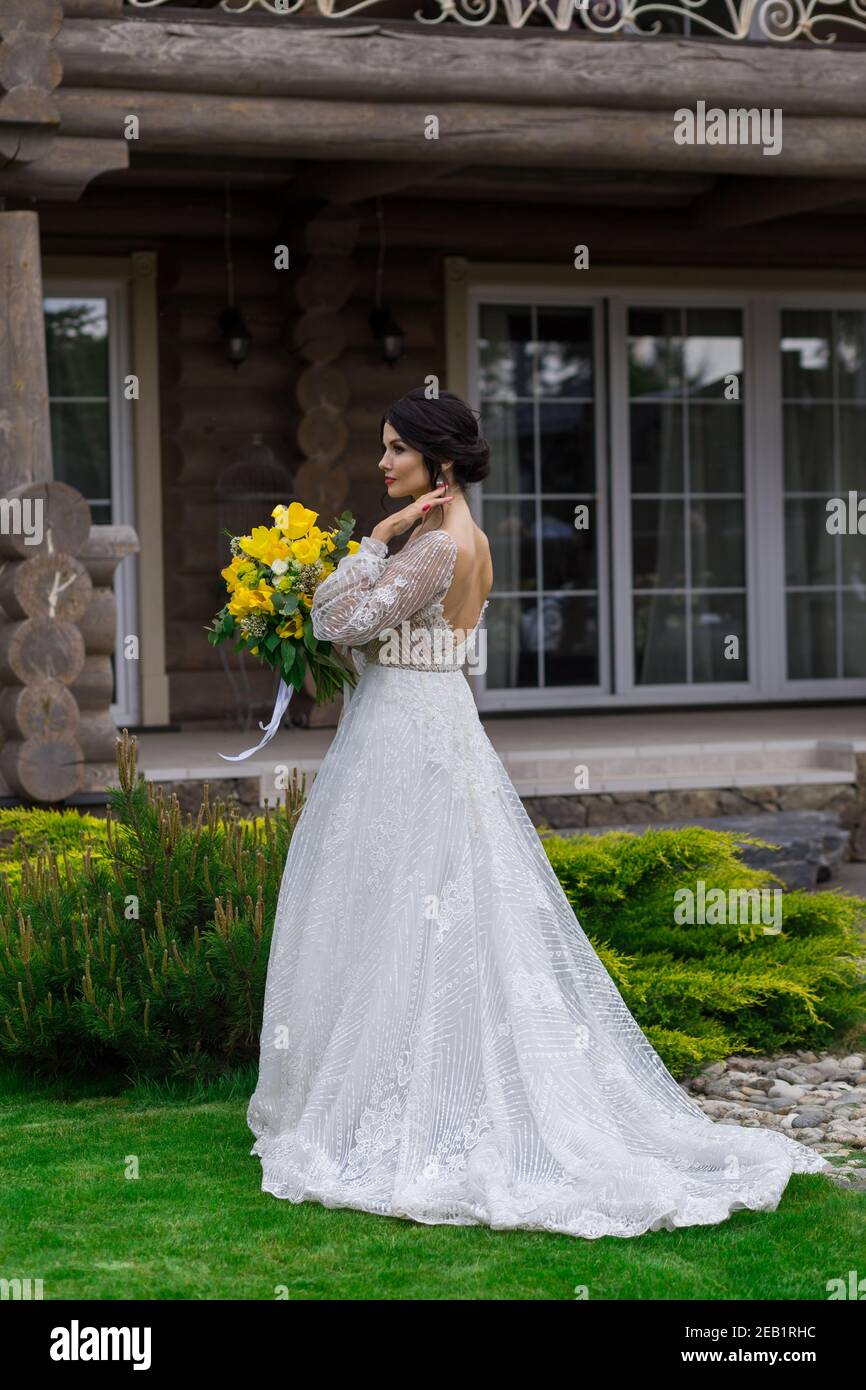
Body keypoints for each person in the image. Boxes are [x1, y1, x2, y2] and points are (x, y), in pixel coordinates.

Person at [247, 388, 829, 1238]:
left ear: (436, 462)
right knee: (422, 909)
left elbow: (337, 621)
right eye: (383, 449)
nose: (382, 465)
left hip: (406, 737)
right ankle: (397, 1085)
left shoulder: (436, 548)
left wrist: (370, 543)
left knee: (403, 907)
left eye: (396, 451)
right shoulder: (466, 538)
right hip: (431, 720)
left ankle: (401, 1112)